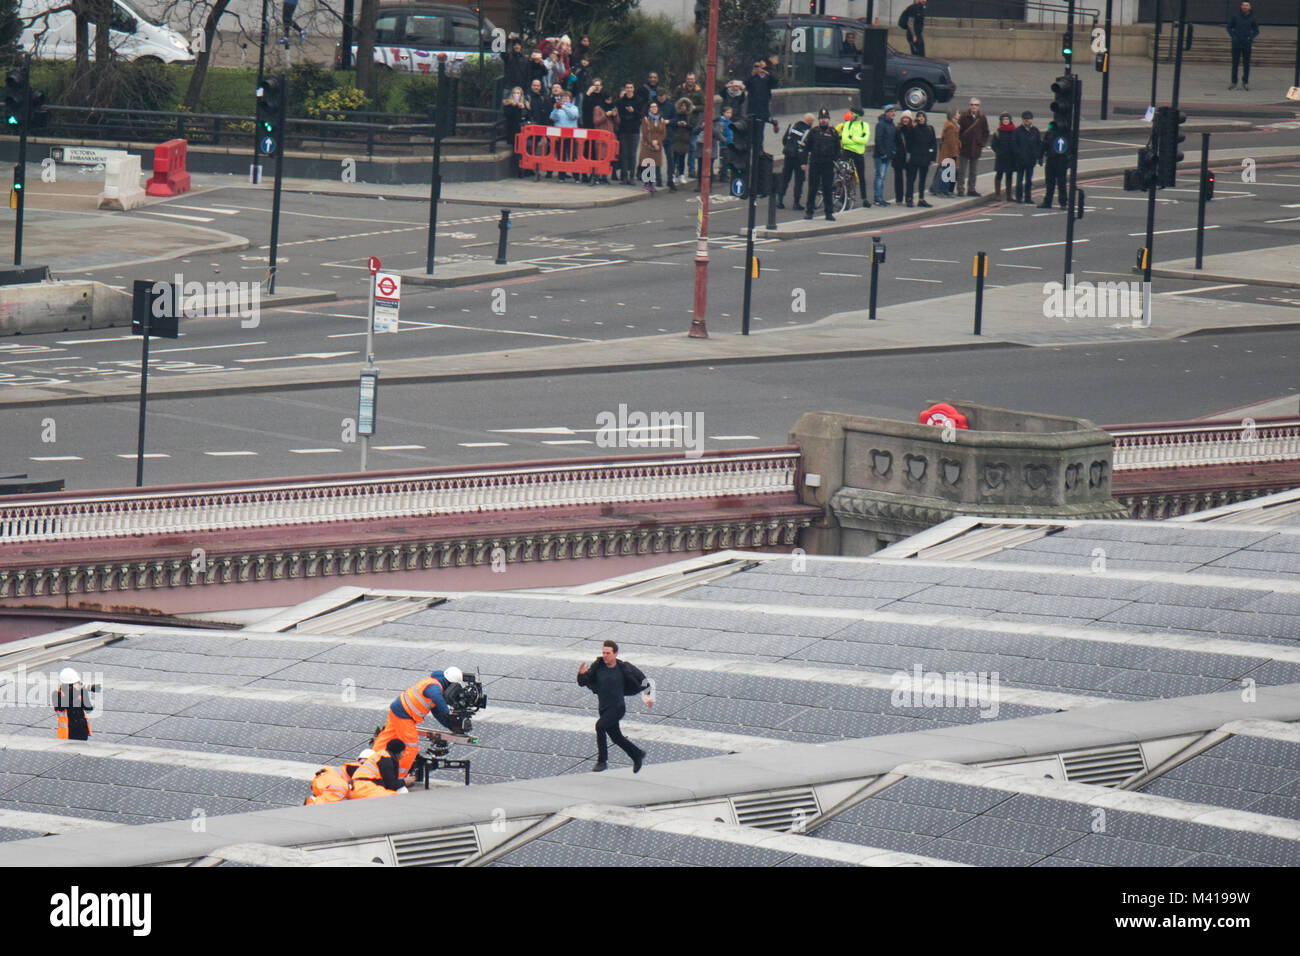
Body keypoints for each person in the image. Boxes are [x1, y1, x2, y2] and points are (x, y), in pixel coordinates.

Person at [372, 667, 464, 779]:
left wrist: (451, 725)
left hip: (397, 709)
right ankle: (398, 778)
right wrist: (448, 713)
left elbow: (437, 713)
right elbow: (437, 698)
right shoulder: (435, 687)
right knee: (411, 748)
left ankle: (367, 764)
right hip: (404, 716)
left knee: (385, 739)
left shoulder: (432, 682)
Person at [576, 640, 653, 772]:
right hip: (604, 708)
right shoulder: (598, 667)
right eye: (603, 653)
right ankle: (637, 754)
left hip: (617, 707)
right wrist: (581, 674)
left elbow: (643, 679)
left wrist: (647, 695)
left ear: (615, 654)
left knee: (599, 726)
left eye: (608, 653)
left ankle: (602, 761)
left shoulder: (624, 668)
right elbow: (583, 682)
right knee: (616, 737)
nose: (605, 655)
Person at [802, 108, 841, 221]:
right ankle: (809, 211)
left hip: (828, 164)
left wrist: (835, 159)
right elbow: (806, 148)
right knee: (812, 188)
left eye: (825, 118)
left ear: (828, 119)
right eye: (821, 119)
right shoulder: (814, 132)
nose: (823, 121)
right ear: (819, 120)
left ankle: (829, 212)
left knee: (827, 188)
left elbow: (838, 148)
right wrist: (804, 162)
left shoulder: (833, 132)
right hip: (815, 163)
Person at [835, 105, 871, 206]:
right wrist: (857, 139)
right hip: (847, 151)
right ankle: (841, 196)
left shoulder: (865, 125)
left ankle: (864, 199)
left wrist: (852, 138)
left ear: (856, 116)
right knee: (842, 174)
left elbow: (865, 140)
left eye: (851, 114)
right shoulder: (847, 125)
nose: (849, 115)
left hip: (859, 153)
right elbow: (845, 139)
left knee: (861, 176)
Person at [779, 112, 814, 210]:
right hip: (799, 158)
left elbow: (784, 140)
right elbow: (807, 148)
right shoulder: (808, 132)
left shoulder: (792, 126)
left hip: (788, 156)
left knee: (785, 178)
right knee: (799, 180)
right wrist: (804, 163)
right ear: (810, 122)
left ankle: (780, 200)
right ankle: (796, 203)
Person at [744, 57, 780, 151]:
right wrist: (752, 74)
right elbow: (745, 84)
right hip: (752, 106)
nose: (758, 68)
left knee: (759, 131)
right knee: (751, 131)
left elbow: (775, 81)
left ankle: (759, 150)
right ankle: (751, 149)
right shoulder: (752, 77)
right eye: (756, 66)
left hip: (763, 106)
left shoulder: (767, 76)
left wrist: (766, 72)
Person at [52, 667, 97, 740]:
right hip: (68, 733)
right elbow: (60, 708)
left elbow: (88, 709)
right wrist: (75, 691)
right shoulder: (57, 694)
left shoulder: (80, 692)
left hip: (82, 730)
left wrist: (85, 692)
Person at [957, 97, 989, 196]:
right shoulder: (963, 117)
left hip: (976, 148)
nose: (973, 106)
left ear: (979, 106)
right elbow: (958, 131)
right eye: (972, 104)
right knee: (962, 170)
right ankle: (960, 189)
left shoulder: (982, 117)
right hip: (965, 147)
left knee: (973, 171)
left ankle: (971, 189)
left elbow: (986, 132)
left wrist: (981, 143)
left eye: (976, 105)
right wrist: (960, 143)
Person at [639, 100, 671, 192]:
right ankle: (646, 183)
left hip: (657, 145)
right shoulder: (646, 120)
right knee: (647, 164)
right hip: (647, 145)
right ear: (649, 109)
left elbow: (663, 133)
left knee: (654, 164)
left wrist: (658, 141)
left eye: (655, 107)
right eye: (652, 107)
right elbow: (645, 133)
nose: (654, 109)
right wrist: (651, 142)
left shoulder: (661, 120)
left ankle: (651, 183)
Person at [1227, 1, 1259, 90]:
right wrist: (1233, 36)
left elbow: (1256, 30)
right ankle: (1234, 82)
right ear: (1241, 7)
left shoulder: (1252, 18)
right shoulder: (1235, 17)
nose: (1245, 7)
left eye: (1247, 5)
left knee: (1246, 64)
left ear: (1250, 7)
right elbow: (1229, 27)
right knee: (1235, 63)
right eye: (1243, 5)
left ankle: (1245, 82)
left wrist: (1250, 38)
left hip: (1246, 43)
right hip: (1236, 43)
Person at [1011, 110, 1041, 204]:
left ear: (1031, 120)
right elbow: (1014, 144)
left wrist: (1039, 157)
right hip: (1020, 160)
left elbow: (1038, 144)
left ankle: (1028, 197)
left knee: (1029, 181)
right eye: (1025, 119)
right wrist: (1018, 154)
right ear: (1022, 120)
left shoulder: (1035, 131)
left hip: (1031, 160)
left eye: (1029, 119)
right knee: (1019, 181)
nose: (1027, 121)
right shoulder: (1017, 131)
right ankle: (1019, 197)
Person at [907, 111, 935, 207]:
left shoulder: (930, 129)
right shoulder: (914, 129)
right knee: (911, 179)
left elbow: (933, 144)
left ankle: (921, 199)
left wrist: (932, 158)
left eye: (923, 116)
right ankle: (909, 198)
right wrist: (912, 127)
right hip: (915, 157)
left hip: (925, 158)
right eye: (919, 117)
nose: (921, 118)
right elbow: (908, 141)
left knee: (922, 180)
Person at [616, 82, 642, 185]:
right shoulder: (621, 101)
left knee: (632, 154)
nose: (629, 89)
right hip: (623, 130)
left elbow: (640, 115)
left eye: (631, 87)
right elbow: (619, 114)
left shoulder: (638, 100)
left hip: (634, 130)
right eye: (627, 87)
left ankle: (632, 176)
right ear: (625, 89)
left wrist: (633, 111)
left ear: (633, 89)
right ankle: (624, 176)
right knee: (624, 154)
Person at [1040, 121, 1069, 209]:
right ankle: (1057, 202)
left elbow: (1043, 145)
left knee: (1058, 183)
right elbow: (1044, 145)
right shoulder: (1064, 133)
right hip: (1054, 160)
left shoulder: (1053, 133)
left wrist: (1040, 156)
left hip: (1059, 160)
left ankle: (1059, 202)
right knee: (1053, 183)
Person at [873, 104, 897, 205]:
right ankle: (878, 198)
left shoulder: (891, 124)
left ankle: (880, 197)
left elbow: (893, 140)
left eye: (894, 111)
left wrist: (893, 150)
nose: (893, 113)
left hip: (888, 156)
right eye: (891, 111)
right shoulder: (881, 124)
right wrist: (883, 153)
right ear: (886, 113)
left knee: (883, 177)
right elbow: (878, 140)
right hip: (880, 156)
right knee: (880, 176)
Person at [991, 110, 1017, 202]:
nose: (1005, 121)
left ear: (1010, 120)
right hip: (1001, 157)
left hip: (1011, 157)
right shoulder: (998, 132)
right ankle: (997, 195)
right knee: (999, 175)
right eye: (1004, 119)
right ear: (1001, 121)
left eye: (1007, 119)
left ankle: (1009, 195)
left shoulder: (1014, 131)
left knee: (1009, 176)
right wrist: (999, 152)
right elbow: (994, 144)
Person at [933, 108, 959, 196]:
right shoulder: (951, 126)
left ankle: (943, 190)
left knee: (946, 172)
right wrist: (955, 153)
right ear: (953, 116)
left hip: (947, 153)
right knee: (946, 173)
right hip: (949, 154)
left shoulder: (951, 125)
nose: (959, 115)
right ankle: (942, 191)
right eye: (957, 113)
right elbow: (951, 142)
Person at [503, 87, 527, 178]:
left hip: (522, 130)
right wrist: (513, 106)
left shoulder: (524, 104)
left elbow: (526, 116)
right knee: (515, 149)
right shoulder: (507, 104)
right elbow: (507, 115)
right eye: (515, 93)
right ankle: (515, 171)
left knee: (522, 150)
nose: (516, 95)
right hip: (512, 130)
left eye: (518, 93)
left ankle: (522, 171)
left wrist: (522, 108)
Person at [671, 97, 694, 185]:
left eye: (685, 106)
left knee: (682, 159)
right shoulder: (675, 114)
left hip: (685, 139)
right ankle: (672, 174)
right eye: (681, 106)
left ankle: (681, 174)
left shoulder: (689, 116)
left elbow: (692, 127)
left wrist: (686, 125)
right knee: (674, 157)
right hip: (676, 138)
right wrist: (677, 124)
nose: (683, 107)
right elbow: (672, 124)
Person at [893, 110, 913, 204]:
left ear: (910, 119)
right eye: (904, 118)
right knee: (898, 179)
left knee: (910, 178)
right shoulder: (897, 129)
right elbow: (894, 142)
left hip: (909, 157)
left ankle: (909, 197)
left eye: (907, 118)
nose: (905, 120)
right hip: (899, 157)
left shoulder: (913, 129)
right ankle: (899, 198)